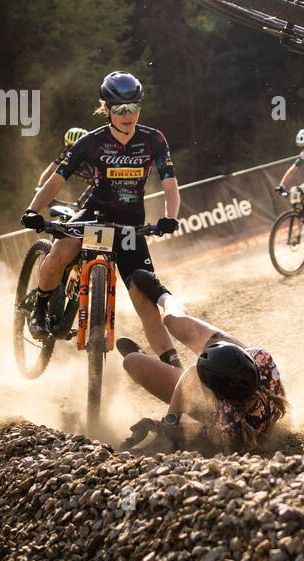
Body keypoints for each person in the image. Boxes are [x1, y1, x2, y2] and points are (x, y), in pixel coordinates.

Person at [21, 71, 183, 361]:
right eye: (120, 109)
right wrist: (33, 210)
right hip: (93, 215)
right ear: (106, 109)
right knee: (59, 253)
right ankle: (40, 307)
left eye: (133, 108)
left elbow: (170, 184)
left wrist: (171, 216)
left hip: (130, 226)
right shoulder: (90, 142)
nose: (127, 115)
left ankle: (173, 366)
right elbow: (57, 180)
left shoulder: (154, 140)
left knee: (146, 304)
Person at [118, 272, 288, 454]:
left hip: (220, 407)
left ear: (215, 395)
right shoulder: (263, 359)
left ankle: (161, 363)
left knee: (132, 362)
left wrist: (165, 425)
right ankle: (163, 296)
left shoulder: (228, 425)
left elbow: (185, 434)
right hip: (233, 374)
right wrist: (169, 423)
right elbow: (195, 372)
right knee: (174, 322)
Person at [36, 127, 96, 210]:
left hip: (104, 184)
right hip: (94, 184)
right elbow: (50, 170)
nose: (74, 150)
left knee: (84, 206)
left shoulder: (95, 156)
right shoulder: (65, 156)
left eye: (79, 147)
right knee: (80, 207)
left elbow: (100, 182)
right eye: (70, 147)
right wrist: (40, 186)